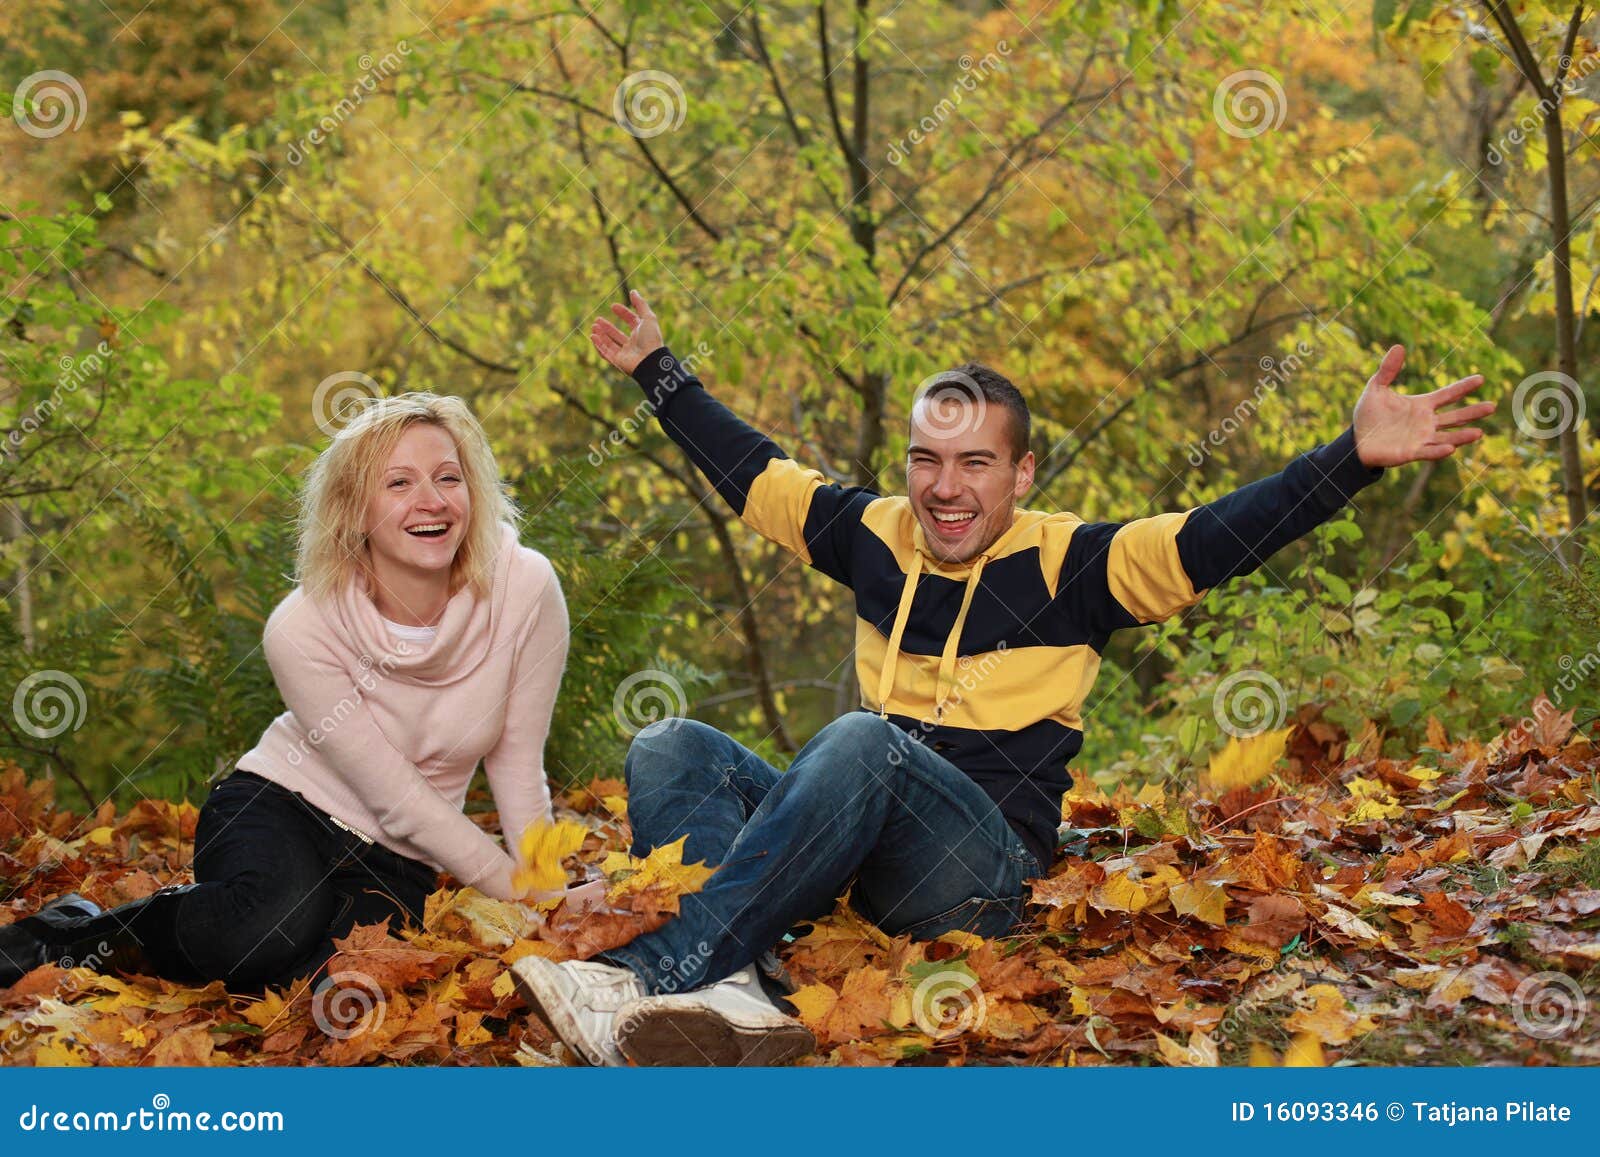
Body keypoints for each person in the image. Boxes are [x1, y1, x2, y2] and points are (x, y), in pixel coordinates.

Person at [512, 291, 1495, 1068]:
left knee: (861, 740)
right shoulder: (872, 535)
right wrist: (657, 369)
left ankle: (649, 974)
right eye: (927, 460)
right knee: (671, 744)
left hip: (974, 875)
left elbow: (1219, 534)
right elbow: (751, 470)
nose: (946, 488)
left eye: (975, 463)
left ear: (1021, 475)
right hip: (861, 859)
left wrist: (1350, 459)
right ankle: (734, 992)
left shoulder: (1077, 564)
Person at [1, 392, 578, 992]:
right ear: (354, 510)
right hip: (280, 807)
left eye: (448, 478)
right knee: (266, 927)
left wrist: (549, 893)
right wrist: (512, 889)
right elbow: (400, 799)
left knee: (321, 988)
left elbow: (516, 760)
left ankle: (196, 938)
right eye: (399, 483)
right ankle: (68, 937)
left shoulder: (525, 588)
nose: (431, 500)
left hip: (401, 859)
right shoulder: (302, 627)